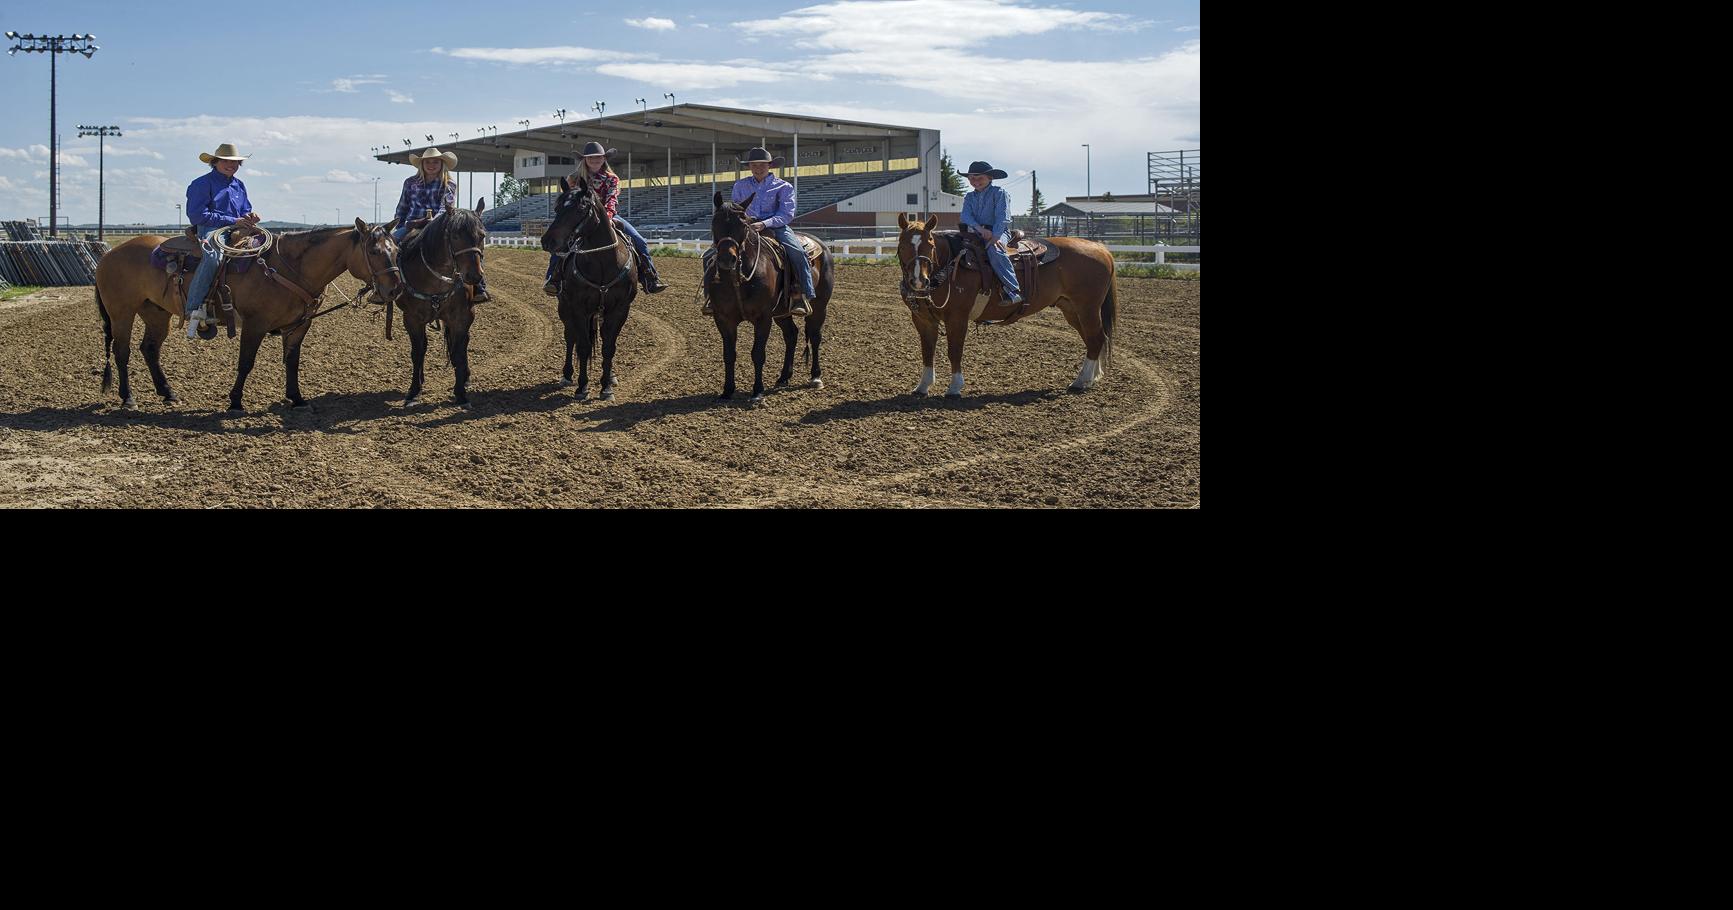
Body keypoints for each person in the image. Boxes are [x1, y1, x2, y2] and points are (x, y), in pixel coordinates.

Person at [543, 142, 668, 296]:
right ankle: (553, 278)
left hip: (608, 215)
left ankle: (650, 277)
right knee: (562, 243)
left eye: (599, 157)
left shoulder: (611, 179)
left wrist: (607, 218)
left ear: (604, 158)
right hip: (581, 217)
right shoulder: (574, 178)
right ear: (585, 159)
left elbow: (612, 199)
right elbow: (571, 200)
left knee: (639, 240)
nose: (595, 160)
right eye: (591, 157)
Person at [702, 147, 815, 316]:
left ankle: (802, 294)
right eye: (754, 165)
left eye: (762, 165)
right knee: (710, 255)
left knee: (797, 252)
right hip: (746, 227)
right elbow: (736, 210)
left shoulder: (783, 186)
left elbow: (786, 214)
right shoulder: (740, 185)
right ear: (749, 167)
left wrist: (764, 223)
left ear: (770, 165)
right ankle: (711, 296)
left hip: (776, 227)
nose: (758, 168)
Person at [182, 143, 260, 339]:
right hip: (211, 229)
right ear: (215, 162)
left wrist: (250, 216)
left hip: (238, 228)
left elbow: (244, 209)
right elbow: (197, 215)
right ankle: (193, 307)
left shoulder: (239, 185)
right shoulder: (201, 184)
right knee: (213, 258)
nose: (231, 165)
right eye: (226, 161)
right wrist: (233, 220)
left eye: (235, 162)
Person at [958, 160, 1024, 306]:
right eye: (972, 178)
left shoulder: (999, 193)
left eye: (979, 178)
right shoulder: (969, 197)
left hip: (998, 231)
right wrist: (980, 229)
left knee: (995, 250)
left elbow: (1003, 217)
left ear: (990, 178)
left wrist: (995, 236)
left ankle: (1013, 290)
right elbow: (965, 216)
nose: (975, 182)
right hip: (977, 231)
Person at [393, 146, 458, 244]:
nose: (431, 165)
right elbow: (402, 208)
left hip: (438, 227)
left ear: (442, 164)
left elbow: (445, 208)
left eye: (435, 162)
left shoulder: (448, 184)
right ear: (422, 164)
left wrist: (433, 222)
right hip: (412, 225)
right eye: (427, 162)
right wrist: (400, 226)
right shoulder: (410, 182)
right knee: (389, 245)